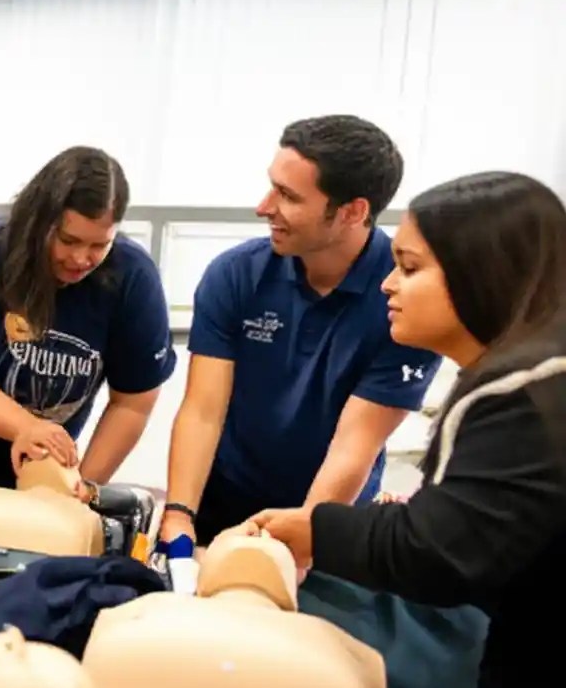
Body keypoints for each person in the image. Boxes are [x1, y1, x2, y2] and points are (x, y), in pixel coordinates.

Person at [250, 171, 566, 688]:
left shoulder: (524, 393)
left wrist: (314, 530)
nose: (388, 284)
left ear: (480, 273)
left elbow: (441, 551)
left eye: (411, 268)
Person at [159, 115, 443, 547]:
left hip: (329, 516)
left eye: (288, 196)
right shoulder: (236, 275)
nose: (264, 206)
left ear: (352, 211)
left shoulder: (404, 299)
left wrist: (306, 541)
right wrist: (180, 515)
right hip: (222, 504)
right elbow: (203, 410)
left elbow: (356, 443)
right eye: (272, 185)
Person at [0, 146, 175, 502]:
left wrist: (82, 487)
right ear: (39, 220)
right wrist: (25, 426)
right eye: (68, 240)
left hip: (42, 470)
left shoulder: (133, 277)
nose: (81, 259)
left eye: (100, 245)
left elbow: (133, 401)